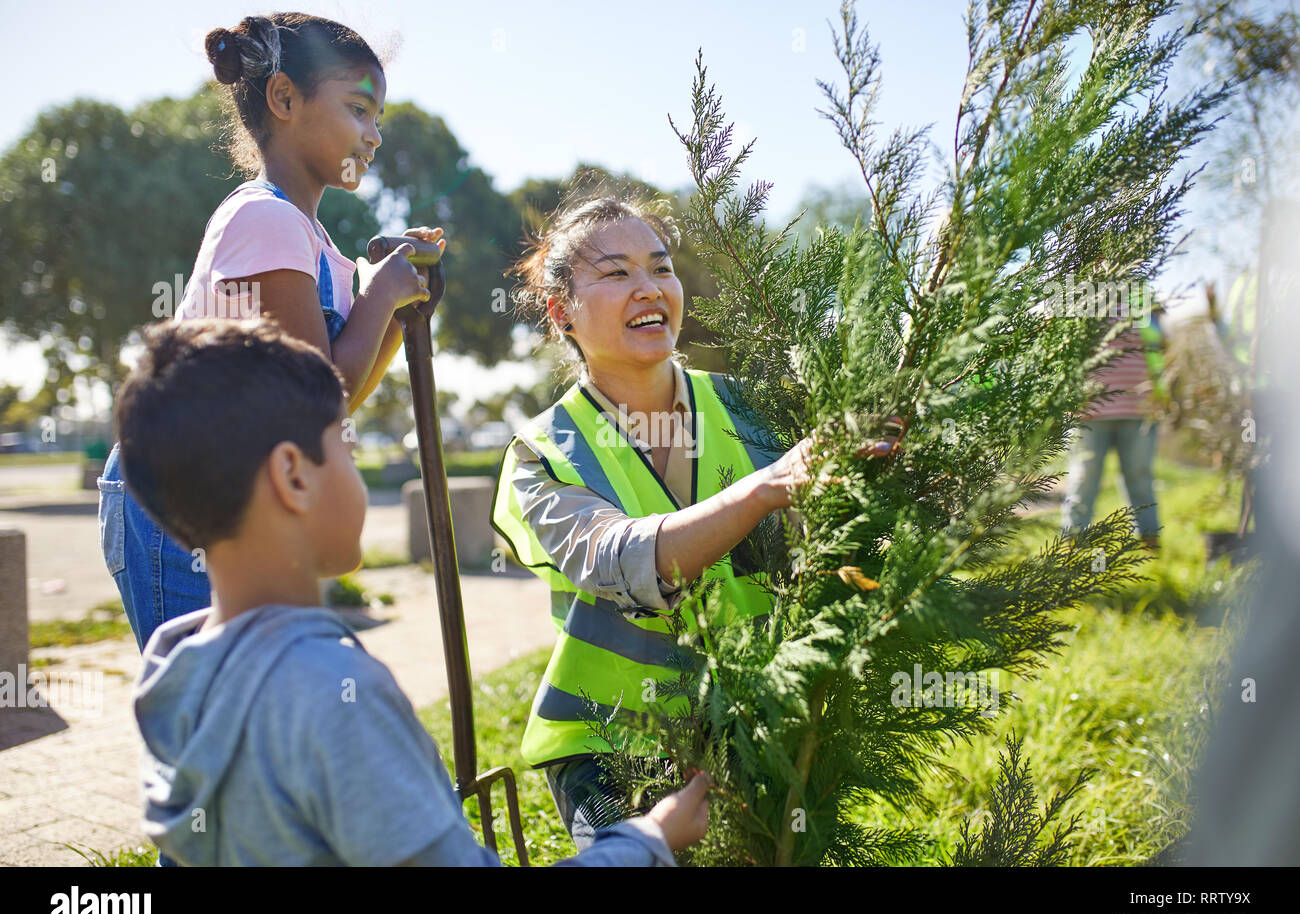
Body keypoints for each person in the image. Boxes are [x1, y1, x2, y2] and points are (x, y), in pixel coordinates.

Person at [119, 316, 710, 866]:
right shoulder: (335, 699)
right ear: (294, 476)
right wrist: (647, 839)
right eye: (345, 450)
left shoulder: (175, 673)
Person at [491, 193, 900, 849]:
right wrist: (762, 491)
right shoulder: (544, 453)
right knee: (628, 861)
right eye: (617, 273)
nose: (650, 288)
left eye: (661, 267)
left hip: (756, 721)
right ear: (561, 310)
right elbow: (619, 561)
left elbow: (818, 541)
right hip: (607, 745)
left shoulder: (748, 407)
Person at [98, 12, 436, 652]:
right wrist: (382, 292)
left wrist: (397, 305)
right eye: (359, 110)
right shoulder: (265, 219)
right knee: (215, 702)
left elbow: (330, 405)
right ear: (284, 97)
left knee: (246, 694)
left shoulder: (312, 242)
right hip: (179, 490)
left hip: (233, 489)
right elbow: (317, 397)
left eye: (379, 119)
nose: (373, 135)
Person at [1060, 296, 1167, 550]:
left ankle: (1149, 540)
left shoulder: (1141, 297)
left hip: (1139, 406)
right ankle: (1071, 542)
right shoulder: (1082, 296)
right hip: (1090, 410)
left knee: (1140, 477)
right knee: (1084, 479)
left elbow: (1160, 343)